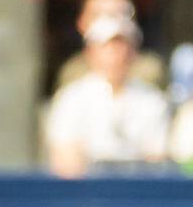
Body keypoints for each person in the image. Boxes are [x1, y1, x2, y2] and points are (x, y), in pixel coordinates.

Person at [45, 15, 169, 178]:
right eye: (107, 46)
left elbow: (156, 159)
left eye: (123, 46)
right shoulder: (71, 98)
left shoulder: (153, 100)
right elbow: (64, 158)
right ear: (90, 52)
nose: (116, 54)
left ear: (134, 52)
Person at [54, 0, 166, 93]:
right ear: (81, 23)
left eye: (122, 14)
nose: (113, 22)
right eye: (100, 15)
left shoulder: (150, 71)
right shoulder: (73, 74)